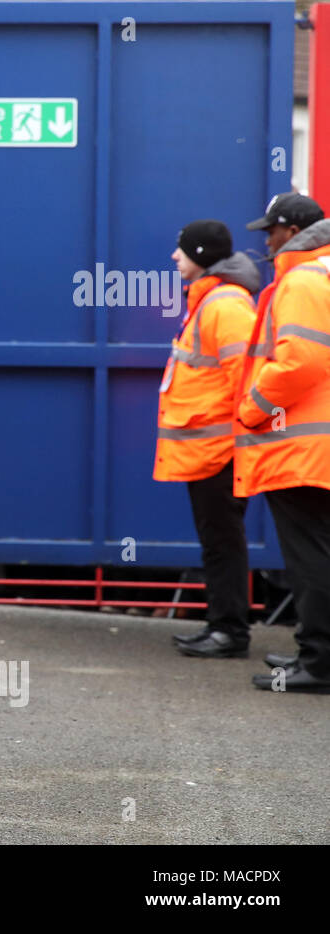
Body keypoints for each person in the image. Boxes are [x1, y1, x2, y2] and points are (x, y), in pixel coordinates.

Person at [232, 194, 330, 692]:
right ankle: (316, 653)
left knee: (310, 559)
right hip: (318, 449)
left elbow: (303, 361)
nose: (265, 241)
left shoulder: (303, 279)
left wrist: (253, 408)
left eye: (270, 231)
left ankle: (319, 662)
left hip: (304, 451)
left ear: (291, 232)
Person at [152, 221, 259, 658]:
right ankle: (223, 626)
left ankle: (230, 631)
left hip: (220, 452)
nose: (175, 258)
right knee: (217, 542)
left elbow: (245, 382)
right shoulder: (211, 302)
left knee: (222, 543)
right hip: (211, 451)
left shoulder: (224, 306)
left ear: (200, 253)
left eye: (181, 251)